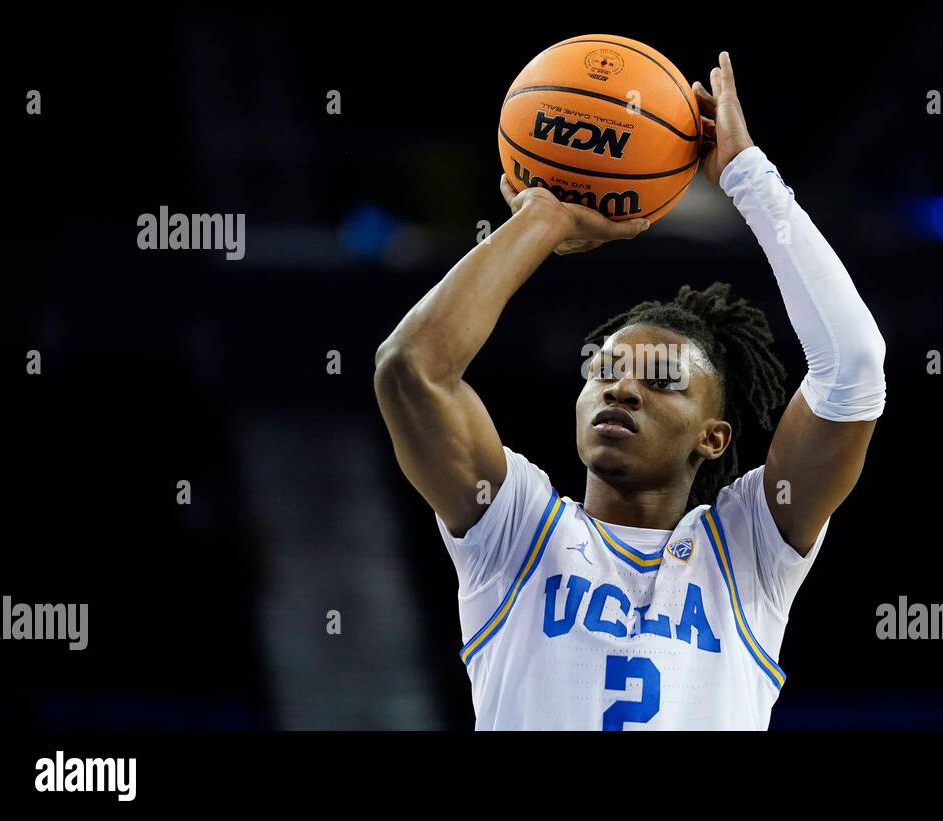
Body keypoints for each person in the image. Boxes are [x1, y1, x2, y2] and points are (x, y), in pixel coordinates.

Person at [374, 51, 886, 729]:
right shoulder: (516, 531)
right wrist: (541, 220)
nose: (621, 390)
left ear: (714, 435)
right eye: (604, 371)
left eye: (662, 381)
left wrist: (747, 176)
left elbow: (853, 367)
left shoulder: (747, 553)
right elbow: (411, 369)